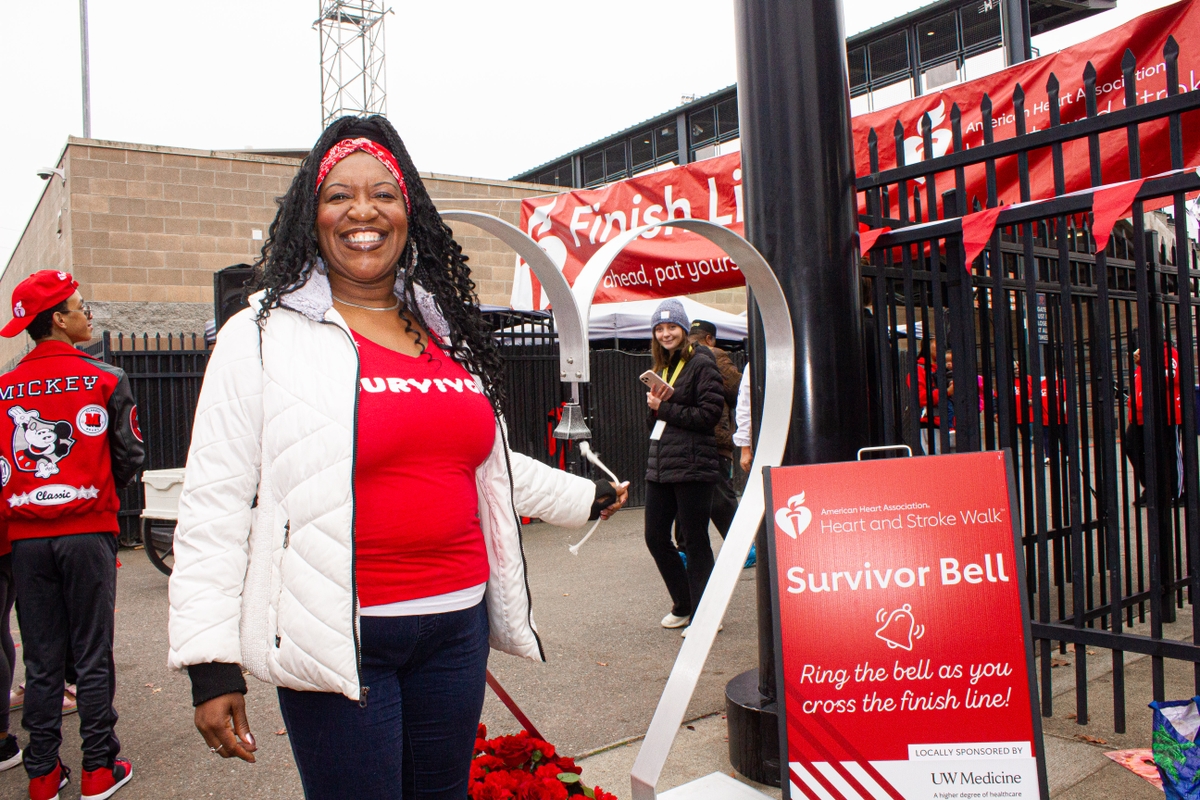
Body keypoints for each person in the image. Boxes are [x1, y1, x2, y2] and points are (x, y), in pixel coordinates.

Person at [167, 115, 627, 800]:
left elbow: (483, 463)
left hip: (457, 628)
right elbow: (215, 500)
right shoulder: (262, 334)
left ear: (409, 213)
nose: (363, 211)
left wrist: (584, 496)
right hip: (339, 636)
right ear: (312, 216)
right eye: (339, 195)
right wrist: (210, 663)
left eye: (383, 193)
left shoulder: (444, 331)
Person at [0, 270, 144, 800]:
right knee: (91, 653)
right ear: (59, 319)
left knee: (41, 659)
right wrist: (95, 489)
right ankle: (99, 769)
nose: (89, 315)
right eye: (82, 307)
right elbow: (130, 454)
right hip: (87, 531)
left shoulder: (4, 387)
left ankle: (42, 775)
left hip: (25, 539)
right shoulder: (105, 376)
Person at [643, 300, 725, 636]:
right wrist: (656, 408)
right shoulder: (663, 366)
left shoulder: (702, 362)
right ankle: (685, 604)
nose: (665, 334)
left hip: (694, 463)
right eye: (659, 329)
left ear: (684, 329)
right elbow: (661, 417)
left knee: (695, 541)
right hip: (662, 463)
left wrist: (663, 408)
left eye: (672, 327)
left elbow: (709, 415)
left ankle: (706, 615)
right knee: (654, 537)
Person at [686, 320, 741, 539]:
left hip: (681, 439)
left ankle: (684, 547)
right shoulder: (715, 354)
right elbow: (737, 390)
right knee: (721, 494)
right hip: (713, 438)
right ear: (709, 338)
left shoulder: (678, 355)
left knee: (687, 497)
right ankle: (741, 545)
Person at [1125, 342, 1183, 506]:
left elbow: (1173, 376)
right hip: (1142, 415)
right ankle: (1152, 487)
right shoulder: (1144, 360)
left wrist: (1146, 364)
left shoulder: (1168, 352)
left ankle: (1175, 492)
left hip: (1166, 413)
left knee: (1169, 452)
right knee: (1132, 446)